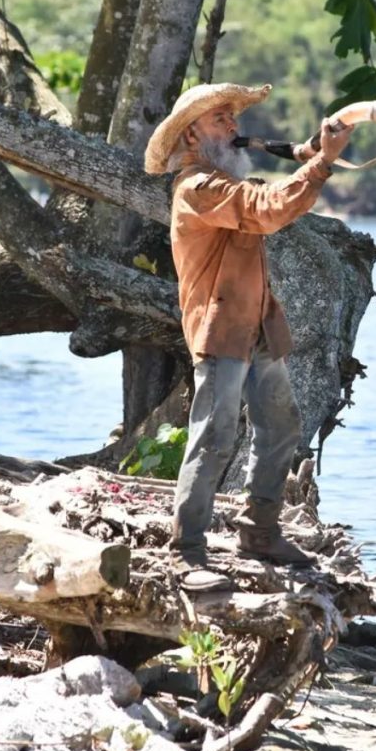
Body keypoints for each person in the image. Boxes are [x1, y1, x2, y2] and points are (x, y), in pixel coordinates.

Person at [144, 81, 352, 582]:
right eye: (220, 120)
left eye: (233, 119)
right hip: (220, 331)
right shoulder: (198, 189)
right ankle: (187, 550)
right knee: (214, 436)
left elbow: (266, 199)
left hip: (255, 325)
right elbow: (269, 209)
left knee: (280, 427)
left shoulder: (224, 185)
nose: (234, 126)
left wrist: (314, 156)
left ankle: (259, 530)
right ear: (191, 135)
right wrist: (322, 163)